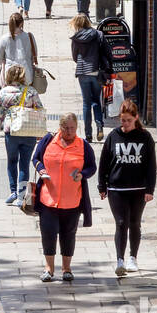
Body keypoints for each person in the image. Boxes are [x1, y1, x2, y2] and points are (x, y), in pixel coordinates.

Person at [32, 113, 97, 283]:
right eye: (66, 128)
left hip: (72, 201)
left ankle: (67, 269)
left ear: (77, 127)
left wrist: (82, 175)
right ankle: (49, 269)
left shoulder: (83, 145)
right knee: (48, 233)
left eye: (72, 128)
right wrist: (41, 171)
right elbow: (36, 158)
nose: (69, 132)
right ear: (59, 127)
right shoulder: (48, 140)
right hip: (48, 199)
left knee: (68, 235)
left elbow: (92, 167)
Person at [98, 100, 157, 277]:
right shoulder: (113, 136)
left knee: (135, 223)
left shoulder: (145, 137)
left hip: (138, 188)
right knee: (121, 223)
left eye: (128, 120)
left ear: (136, 118)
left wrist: (150, 189)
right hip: (117, 188)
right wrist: (102, 185)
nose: (124, 124)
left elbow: (151, 165)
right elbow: (104, 162)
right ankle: (120, 260)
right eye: (122, 120)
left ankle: (133, 258)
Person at [0, 66, 45, 205]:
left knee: (12, 161)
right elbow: (40, 110)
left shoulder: (4, 93)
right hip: (29, 132)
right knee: (24, 164)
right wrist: (41, 132)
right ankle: (21, 196)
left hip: (12, 133)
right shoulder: (31, 91)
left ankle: (13, 191)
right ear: (23, 76)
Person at [69, 12, 109, 142]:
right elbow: (106, 52)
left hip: (82, 71)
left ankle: (88, 135)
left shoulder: (76, 38)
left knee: (86, 103)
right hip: (96, 70)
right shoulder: (98, 34)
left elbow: (75, 57)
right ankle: (99, 126)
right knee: (96, 100)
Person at [0, 9, 36, 88]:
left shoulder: (4, 39)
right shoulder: (29, 37)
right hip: (26, 74)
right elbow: (34, 55)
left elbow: (0, 59)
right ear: (21, 24)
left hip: (9, 76)